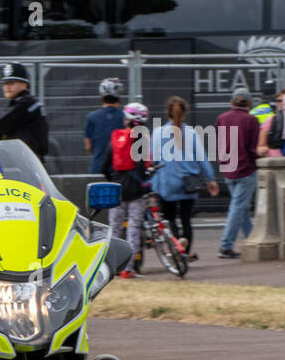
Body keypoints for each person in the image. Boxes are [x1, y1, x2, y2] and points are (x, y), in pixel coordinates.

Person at [150, 96, 219, 261]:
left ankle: (176, 249)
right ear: (185, 113)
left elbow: (152, 160)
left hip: (167, 182)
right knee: (186, 219)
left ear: (167, 113)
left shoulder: (158, 133)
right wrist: (210, 180)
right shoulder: (192, 133)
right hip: (189, 183)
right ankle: (186, 252)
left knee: (170, 217)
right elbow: (202, 158)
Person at [98, 102, 151, 278]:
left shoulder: (116, 139)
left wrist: (113, 180)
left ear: (126, 120)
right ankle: (128, 269)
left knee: (114, 229)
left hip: (118, 189)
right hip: (137, 191)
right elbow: (144, 166)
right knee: (134, 229)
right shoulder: (142, 140)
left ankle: (109, 267)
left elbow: (104, 166)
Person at [214, 87, 262, 258]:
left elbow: (219, 143)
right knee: (238, 208)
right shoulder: (251, 120)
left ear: (231, 102)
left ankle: (251, 239)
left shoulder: (222, 118)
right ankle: (226, 245)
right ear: (249, 103)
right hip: (246, 169)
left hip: (228, 168)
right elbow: (253, 148)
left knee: (240, 208)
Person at [0, 62, 49, 161]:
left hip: (26, 160)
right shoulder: (26, 103)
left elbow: (1, 124)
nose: (7, 87)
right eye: (5, 84)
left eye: (12, 83)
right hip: (29, 159)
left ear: (24, 84)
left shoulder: (27, 103)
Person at [85, 78, 125, 175]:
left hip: (97, 167)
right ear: (119, 98)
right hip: (120, 169)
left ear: (102, 98)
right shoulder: (125, 117)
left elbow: (88, 146)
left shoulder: (91, 117)